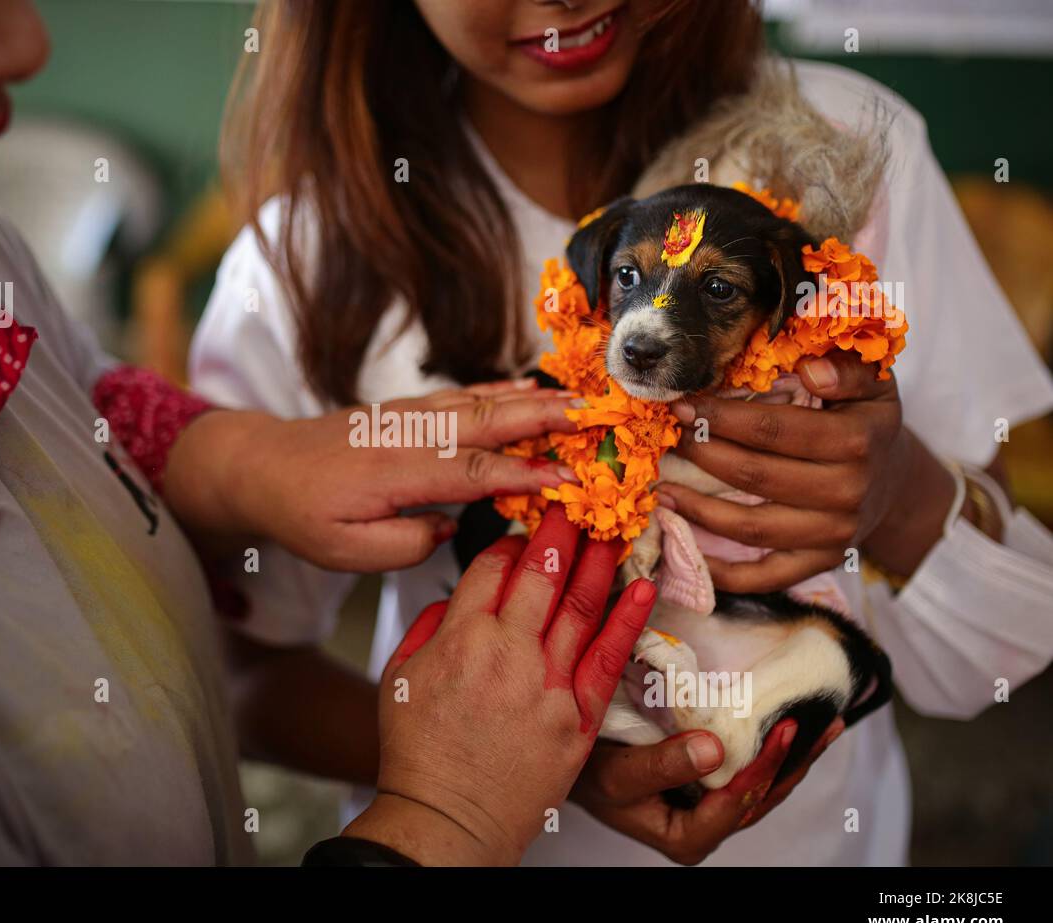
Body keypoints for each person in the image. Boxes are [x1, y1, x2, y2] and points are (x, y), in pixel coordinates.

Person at [0, 0, 806, 867]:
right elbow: (259, 668)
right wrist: (442, 821)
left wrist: (248, 459)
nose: (24, 39)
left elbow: (87, 398)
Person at [190, 0, 1053, 865]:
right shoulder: (306, 256)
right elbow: (223, 681)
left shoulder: (849, 153)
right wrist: (504, 777)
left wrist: (898, 498)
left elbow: (997, 629)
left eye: (718, 292)